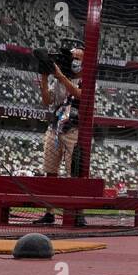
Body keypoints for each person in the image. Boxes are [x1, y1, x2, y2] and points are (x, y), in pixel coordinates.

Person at [34, 46, 86, 227]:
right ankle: (49, 212)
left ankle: (76, 212)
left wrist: (60, 76)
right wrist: (44, 75)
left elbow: (80, 95)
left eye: (78, 58)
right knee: (50, 171)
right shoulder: (58, 79)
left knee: (74, 173)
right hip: (55, 128)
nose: (74, 61)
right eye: (73, 57)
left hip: (75, 131)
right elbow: (47, 101)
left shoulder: (88, 80)